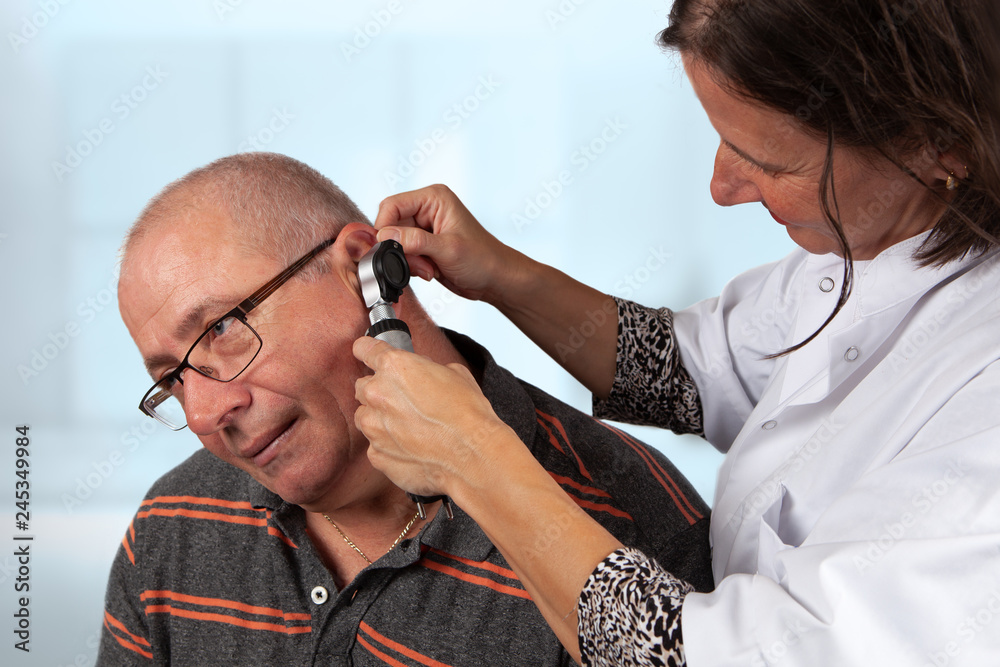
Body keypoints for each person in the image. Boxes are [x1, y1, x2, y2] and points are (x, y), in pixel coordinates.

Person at [350, 1, 1000, 665]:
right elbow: (688, 370)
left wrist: (475, 458)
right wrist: (500, 275)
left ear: (941, 142)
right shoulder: (873, 240)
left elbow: (693, 655)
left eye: (771, 164)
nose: (720, 186)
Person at [96, 152, 713, 666]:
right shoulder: (171, 526)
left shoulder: (634, 540)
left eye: (224, 328)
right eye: (172, 380)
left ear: (362, 270)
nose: (204, 414)